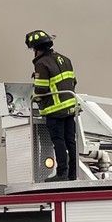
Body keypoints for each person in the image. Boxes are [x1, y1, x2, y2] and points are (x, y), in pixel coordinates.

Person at [26, 30, 79, 182]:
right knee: (71, 141)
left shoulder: (41, 64)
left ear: (36, 49)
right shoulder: (65, 59)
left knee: (58, 141)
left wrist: (34, 97)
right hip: (70, 108)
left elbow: (41, 89)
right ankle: (72, 174)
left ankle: (62, 173)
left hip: (55, 111)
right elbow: (73, 81)